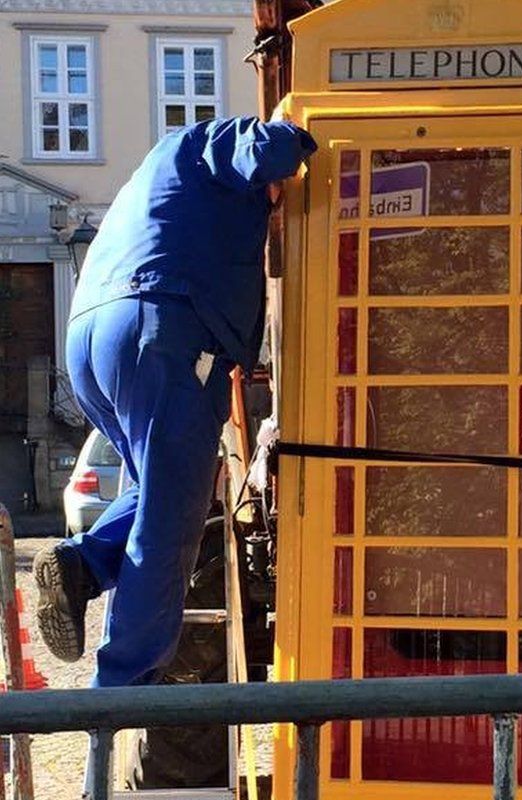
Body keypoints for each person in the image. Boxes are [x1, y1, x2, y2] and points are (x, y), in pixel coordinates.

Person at [33, 116, 317, 688]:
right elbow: (272, 147)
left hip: (91, 339)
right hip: (161, 329)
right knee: (173, 517)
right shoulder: (209, 140)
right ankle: (122, 689)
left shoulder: (150, 177)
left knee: (150, 487)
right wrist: (310, 137)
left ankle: (85, 563)